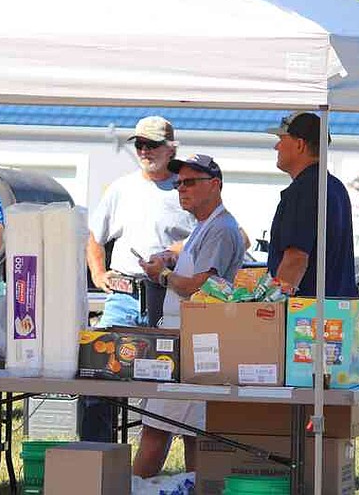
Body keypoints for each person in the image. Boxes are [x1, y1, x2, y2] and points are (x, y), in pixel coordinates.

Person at [81, 116, 196, 442]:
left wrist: (172, 253)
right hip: (124, 295)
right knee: (99, 374)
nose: (144, 151)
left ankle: (180, 464)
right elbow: (94, 235)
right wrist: (98, 272)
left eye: (152, 145)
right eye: (140, 144)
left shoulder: (186, 188)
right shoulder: (121, 188)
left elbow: (204, 234)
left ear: (171, 148)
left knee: (179, 379)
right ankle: (97, 457)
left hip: (170, 296)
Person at [135, 154, 245, 478]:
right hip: (188, 345)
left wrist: (163, 275)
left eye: (190, 182)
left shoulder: (222, 228)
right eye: (178, 183)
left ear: (215, 185)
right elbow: (189, 253)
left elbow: (201, 284)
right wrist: (169, 256)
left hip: (191, 348)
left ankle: (134, 486)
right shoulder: (205, 226)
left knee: (156, 431)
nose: (181, 189)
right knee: (193, 434)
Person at [266, 112, 357, 297]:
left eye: (282, 139)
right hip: (334, 310)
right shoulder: (334, 186)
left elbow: (296, 258)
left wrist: (272, 308)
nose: (277, 146)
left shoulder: (304, 189)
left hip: (304, 317)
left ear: (300, 144)